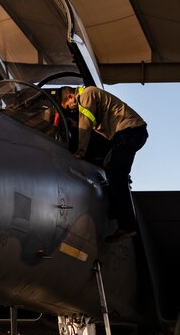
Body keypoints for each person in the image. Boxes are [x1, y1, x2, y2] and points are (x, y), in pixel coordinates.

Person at [59, 85, 148, 242]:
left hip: (129, 132)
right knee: (111, 168)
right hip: (130, 133)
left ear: (71, 97)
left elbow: (85, 125)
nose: (71, 110)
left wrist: (80, 153)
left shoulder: (86, 94)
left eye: (68, 106)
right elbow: (94, 124)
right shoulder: (91, 97)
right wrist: (74, 124)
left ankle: (127, 225)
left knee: (116, 173)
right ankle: (116, 209)